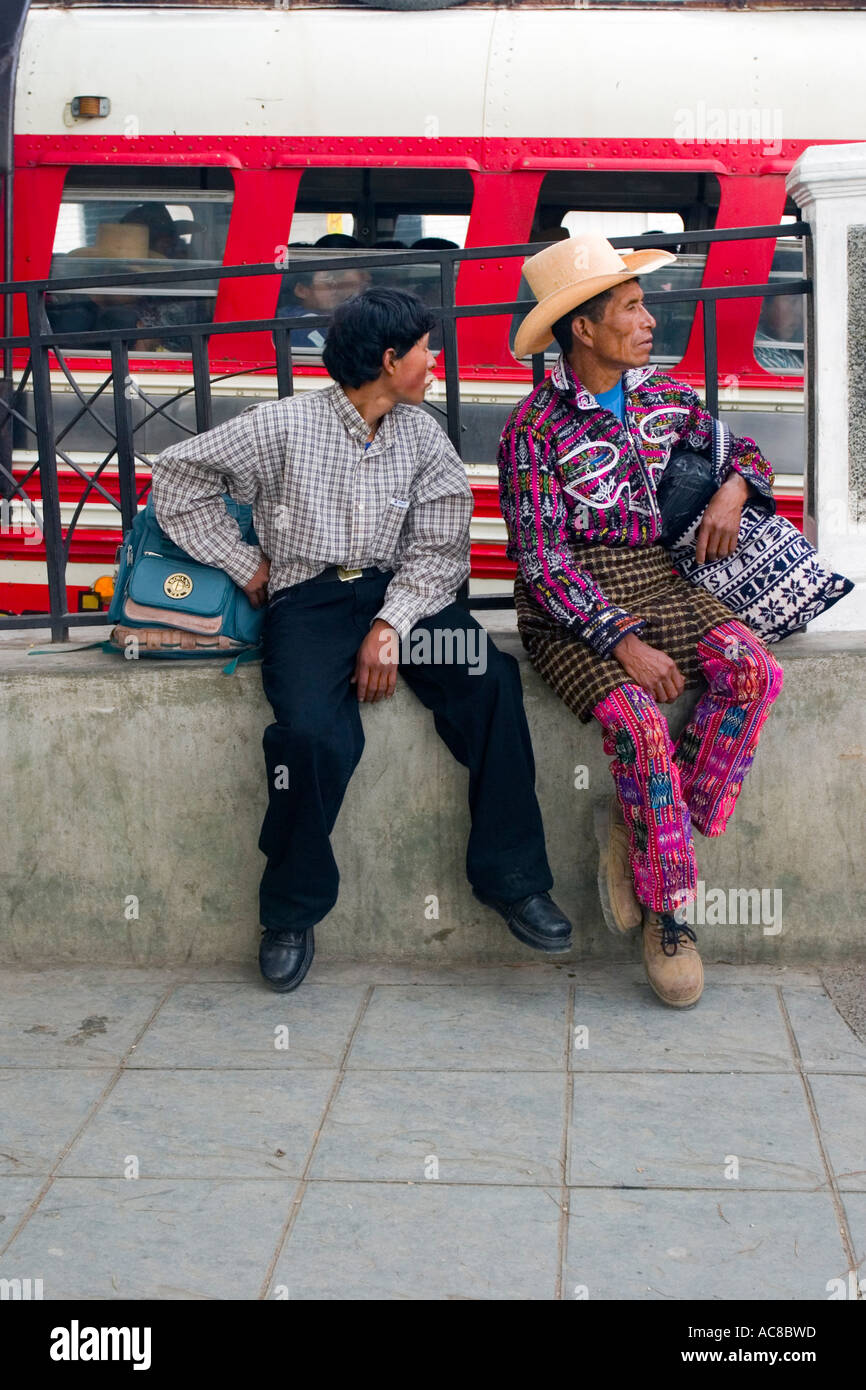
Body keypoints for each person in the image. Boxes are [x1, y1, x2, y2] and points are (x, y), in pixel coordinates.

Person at [150, 287, 572, 992]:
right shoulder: (281, 425)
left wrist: (390, 626)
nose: (435, 362)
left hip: (404, 599)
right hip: (308, 604)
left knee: (490, 682)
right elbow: (175, 477)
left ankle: (514, 880)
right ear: (389, 359)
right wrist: (241, 562)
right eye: (426, 350)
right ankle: (290, 913)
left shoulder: (422, 437)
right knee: (311, 738)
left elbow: (440, 550)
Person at [498, 234, 784, 1010]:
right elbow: (542, 563)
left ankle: (649, 832)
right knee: (641, 726)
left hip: (661, 580)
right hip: (571, 607)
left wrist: (733, 492)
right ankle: (670, 914)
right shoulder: (532, 429)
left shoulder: (665, 399)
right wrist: (621, 642)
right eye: (630, 307)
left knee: (754, 672)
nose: (649, 320)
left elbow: (747, 453)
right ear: (584, 329)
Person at [275, 254, 371, 348]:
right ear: (301, 290)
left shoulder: (287, 314)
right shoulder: (305, 323)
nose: (335, 290)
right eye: (327, 285)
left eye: (335, 285)